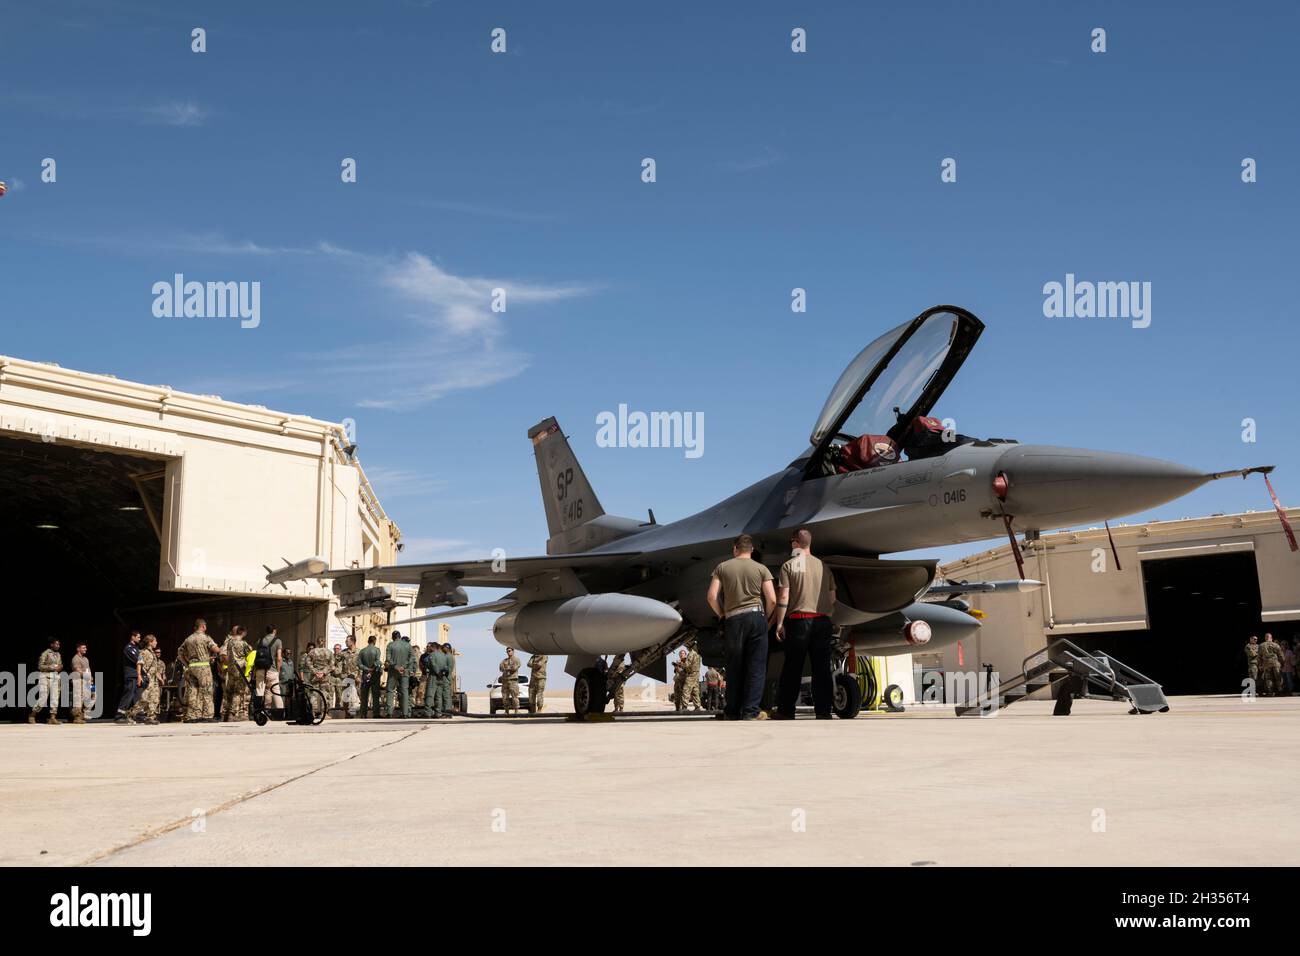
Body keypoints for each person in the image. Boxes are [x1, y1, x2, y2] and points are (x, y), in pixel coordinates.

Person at [706, 534, 776, 720]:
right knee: (756, 667)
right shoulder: (761, 568)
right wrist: (765, 618)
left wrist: (722, 614)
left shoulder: (722, 567)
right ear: (752, 550)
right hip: (756, 617)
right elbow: (772, 599)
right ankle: (751, 711)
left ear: (734, 549)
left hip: (733, 619)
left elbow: (712, 596)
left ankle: (732, 711)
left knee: (734, 666)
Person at [773, 529, 838, 720]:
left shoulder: (790, 565)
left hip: (799, 621)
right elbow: (833, 598)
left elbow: (784, 596)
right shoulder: (823, 566)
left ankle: (786, 710)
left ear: (795, 544)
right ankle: (823, 710)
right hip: (822, 621)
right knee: (822, 668)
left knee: (793, 667)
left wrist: (779, 623)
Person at [177, 619, 221, 723]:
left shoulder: (188, 639)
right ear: (203, 626)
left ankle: (192, 716)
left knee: (193, 691)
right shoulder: (205, 637)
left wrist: (187, 664)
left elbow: (179, 653)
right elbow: (216, 649)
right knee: (206, 691)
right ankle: (207, 715)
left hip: (192, 667)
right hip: (203, 668)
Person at [220, 626, 253, 722]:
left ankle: (225, 715)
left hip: (230, 670)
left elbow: (224, 655)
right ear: (243, 633)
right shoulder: (243, 643)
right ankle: (233, 714)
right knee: (238, 692)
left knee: (229, 692)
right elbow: (249, 655)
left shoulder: (229, 642)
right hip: (240, 670)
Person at [130, 635, 164, 725]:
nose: (156, 643)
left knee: (155, 698)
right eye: (155, 641)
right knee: (144, 698)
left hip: (154, 679)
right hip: (148, 678)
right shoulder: (143, 652)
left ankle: (150, 717)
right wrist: (139, 676)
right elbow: (139, 664)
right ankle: (131, 713)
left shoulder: (153, 653)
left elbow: (154, 667)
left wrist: (159, 678)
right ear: (150, 642)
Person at [29, 638, 63, 725]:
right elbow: (40, 666)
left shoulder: (58, 654)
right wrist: (51, 667)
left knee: (55, 698)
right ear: (51, 645)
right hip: (45, 677)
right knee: (43, 698)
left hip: (55, 677)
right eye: (56, 644)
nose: (58, 646)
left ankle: (52, 718)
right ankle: (32, 715)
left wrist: (60, 667)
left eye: (59, 644)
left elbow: (60, 664)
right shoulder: (46, 653)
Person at [253, 625, 284, 714]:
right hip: (272, 669)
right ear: (274, 631)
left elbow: (256, 656)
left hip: (260, 669)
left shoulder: (259, 641)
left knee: (260, 691)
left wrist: (255, 671)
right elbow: (279, 658)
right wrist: (278, 670)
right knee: (276, 691)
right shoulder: (278, 641)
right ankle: (280, 713)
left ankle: (260, 713)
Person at [114, 631, 143, 724]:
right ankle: (119, 715)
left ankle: (138, 715)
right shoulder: (128, 648)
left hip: (137, 675)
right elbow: (137, 660)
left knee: (137, 696)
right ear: (132, 637)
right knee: (128, 695)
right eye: (138, 637)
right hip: (131, 675)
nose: (139, 639)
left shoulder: (137, 648)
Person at [385, 630, 414, 718]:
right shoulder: (407, 645)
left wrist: (396, 667)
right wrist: (404, 666)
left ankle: (389, 713)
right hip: (404, 671)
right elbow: (411, 658)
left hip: (393, 671)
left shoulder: (390, 645)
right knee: (404, 691)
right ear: (400, 636)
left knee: (390, 690)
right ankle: (405, 713)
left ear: (393, 637)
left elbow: (388, 658)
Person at [423, 642, 454, 718]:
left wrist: (437, 672)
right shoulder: (444, 656)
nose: (428, 648)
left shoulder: (432, 655)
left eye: (430, 647)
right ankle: (438, 713)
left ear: (433, 647)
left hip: (434, 676)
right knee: (439, 696)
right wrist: (442, 673)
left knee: (430, 695)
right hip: (442, 678)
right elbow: (446, 667)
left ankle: (428, 713)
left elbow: (432, 664)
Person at [306, 641, 335, 719]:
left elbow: (308, 663)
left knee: (314, 694)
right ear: (324, 642)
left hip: (314, 677)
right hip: (325, 677)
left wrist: (315, 672)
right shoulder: (329, 652)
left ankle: (313, 713)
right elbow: (332, 664)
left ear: (318, 642)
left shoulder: (312, 652)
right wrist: (323, 672)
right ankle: (324, 713)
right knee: (324, 694)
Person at [357, 634, 382, 718]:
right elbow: (378, 661)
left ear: (368, 641)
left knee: (364, 695)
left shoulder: (362, 651)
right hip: (374, 674)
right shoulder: (377, 650)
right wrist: (372, 669)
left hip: (365, 675)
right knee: (375, 694)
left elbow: (359, 664)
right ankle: (376, 713)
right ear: (374, 641)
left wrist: (367, 669)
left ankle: (363, 714)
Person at [69, 643, 93, 724]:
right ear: (78, 649)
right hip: (78, 680)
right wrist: (87, 675)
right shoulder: (75, 658)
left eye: (85, 648)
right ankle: (77, 717)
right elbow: (77, 670)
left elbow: (88, 670)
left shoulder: (86, 659)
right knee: (78, 699)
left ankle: (83, 714)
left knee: (92, 695)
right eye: (83, 648)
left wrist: (91, 679)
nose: (85, 649)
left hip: (86, 681)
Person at [1259, 633, 1284, 697]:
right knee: (1278, 677)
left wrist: (1260, 665)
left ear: (1265, 638)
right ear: (1271, 638)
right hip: (1276, 663)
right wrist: (1282, 663)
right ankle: (1279, 692)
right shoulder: (1276, 645)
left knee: (1268, 678)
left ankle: (1270, 692)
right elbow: (1280, 655)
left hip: (1266, 664)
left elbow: (1259, 657)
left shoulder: (1261, 645)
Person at [499, 647, 521, 715]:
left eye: (509, 651)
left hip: (513, 681)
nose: (508, 652)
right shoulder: (504, 660)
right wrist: (508, 668)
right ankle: (506, 711)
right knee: (505, 697)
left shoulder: (516, 660)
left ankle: (516, 711)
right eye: (507, 651)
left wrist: (507, 668)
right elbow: (501, 668)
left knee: (514, 697)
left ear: (513, 651)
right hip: (505, 681)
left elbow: (515, 668)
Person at [681, 642, 703, 711]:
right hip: (696, 674)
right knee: (695, 691)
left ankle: (684, 707)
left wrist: (681, 664)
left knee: (686, 690)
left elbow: (687, 665)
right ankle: (697, 707)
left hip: (691, 674)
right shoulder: (698, 654)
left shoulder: (691, 653)